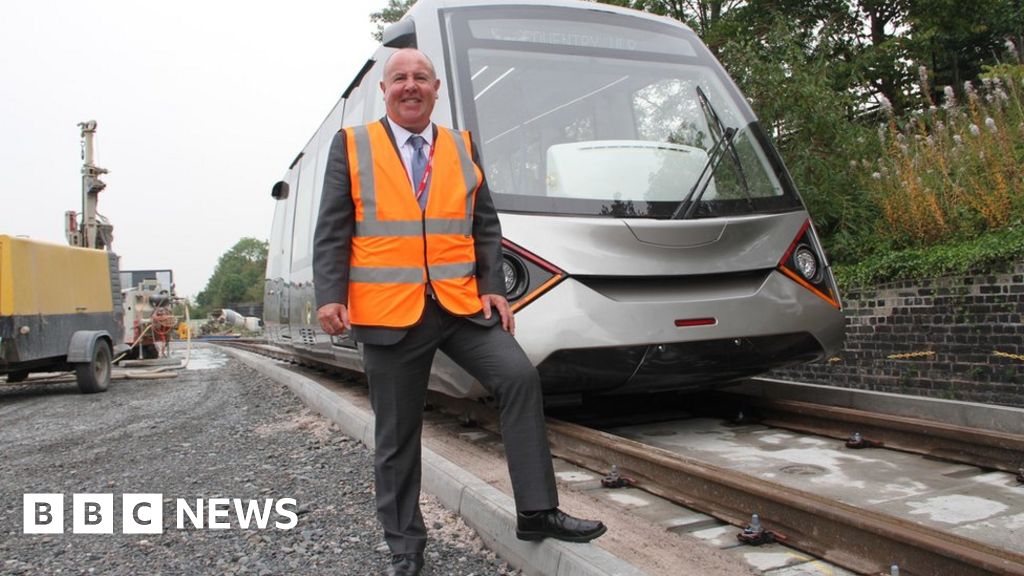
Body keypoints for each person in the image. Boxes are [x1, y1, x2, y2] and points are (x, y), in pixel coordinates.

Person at [313, 48, 606, 576]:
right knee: (397, 436)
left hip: (457, 305)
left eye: (419, 77)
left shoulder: (460, 146)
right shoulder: (352, 146)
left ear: (435, 88)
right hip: (389, 312)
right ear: (384, 90)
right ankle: (405, 546)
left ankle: (537, 511)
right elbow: (334, 228)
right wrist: (330, 294)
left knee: (518, 377)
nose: (409, 86)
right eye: (399, 78)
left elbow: (484, 225)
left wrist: (492, 285)